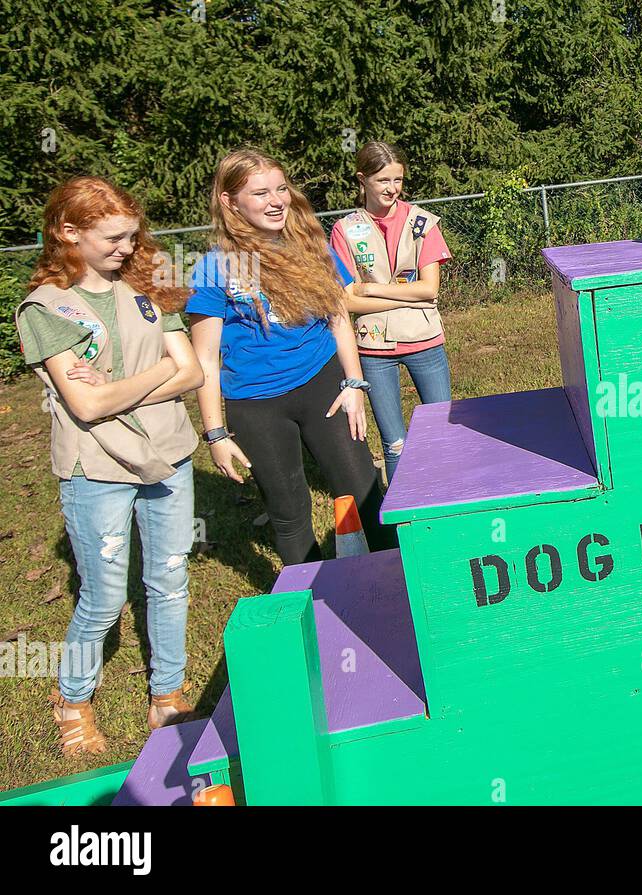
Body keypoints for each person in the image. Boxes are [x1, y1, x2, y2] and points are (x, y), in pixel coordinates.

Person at [17, 177, 204, 755]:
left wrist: (124, 386)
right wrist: (155, 380)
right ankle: (73, 696)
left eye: (132, 236)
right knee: (102, 595)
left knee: (170, 577)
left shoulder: (148, 287)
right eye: (115, 238)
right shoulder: (44, 309)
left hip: (169, 452)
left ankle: (167, 693)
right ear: (68, 233)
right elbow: (88, 406)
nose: (129, 248)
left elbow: (193, 372)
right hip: (96, 467)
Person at [188, 148, 397, 565]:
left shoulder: (309, 245)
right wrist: (215, 434)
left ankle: (399, 587)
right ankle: (312, 606)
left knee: (365, 492)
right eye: (260, 192)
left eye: (281, 188)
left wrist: (354, 384)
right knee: (289, 514)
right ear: (230, 202)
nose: (276, 200)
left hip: (325, 385)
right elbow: (205, 361)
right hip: (256, 404)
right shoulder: (213, 269)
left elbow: (338, 315)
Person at [330, 141, 453, 484]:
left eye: (397, 180)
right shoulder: (345, 229)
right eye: (383, 180)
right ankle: (405, 515)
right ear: (362, 180)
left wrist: (372, 288)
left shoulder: (423, 223)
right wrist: (406, 297)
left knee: (442, 432)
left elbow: (429, 289)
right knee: (394, 443)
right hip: (374, 348)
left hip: (424, 340)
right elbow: (347, 301)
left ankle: (446, 498)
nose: (392, 189)